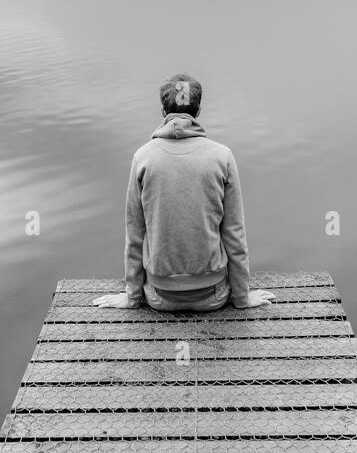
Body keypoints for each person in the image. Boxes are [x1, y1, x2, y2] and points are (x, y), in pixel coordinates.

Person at [93, 74, 275, 311]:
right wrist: (242, 298)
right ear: (197, 111)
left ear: (163, 110)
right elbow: (234, 233)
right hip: (213, 296)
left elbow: (135, 233)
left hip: (159, 297)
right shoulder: (222, 156)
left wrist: (132, 297)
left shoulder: (143, 157)